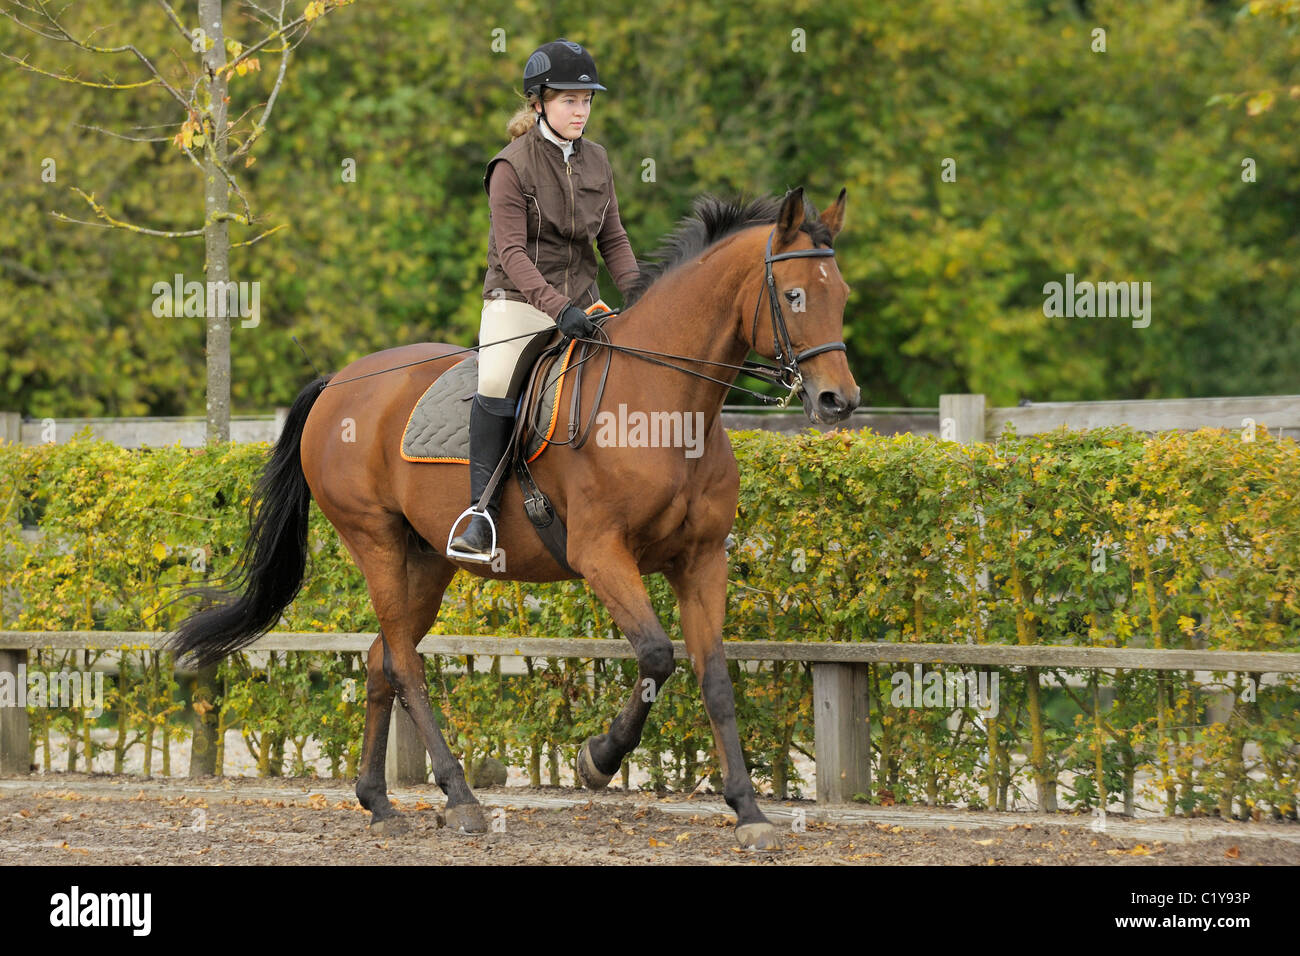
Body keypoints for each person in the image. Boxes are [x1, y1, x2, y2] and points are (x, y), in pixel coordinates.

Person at [448, 38, 641, 561]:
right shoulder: (510, 166)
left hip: (585, 305)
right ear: (539, 103)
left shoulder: (598, 160)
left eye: (586, 101)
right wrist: (558, 309)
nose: (580, 111)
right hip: (519, 302)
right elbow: (511, 253)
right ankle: (480, 513)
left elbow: (614, 241)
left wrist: (640, 292)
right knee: (494, 379)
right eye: (568, 100)